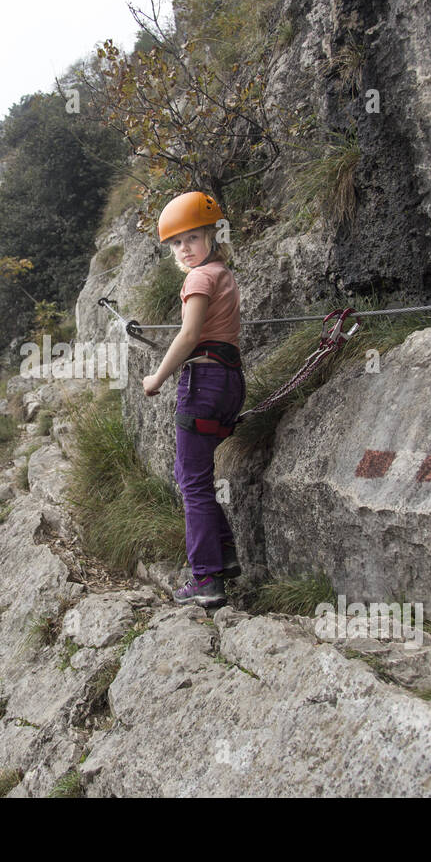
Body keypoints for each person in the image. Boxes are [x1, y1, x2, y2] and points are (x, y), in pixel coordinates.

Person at [142, 191, 245, 609]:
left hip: (202, 382)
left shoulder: (198, 279)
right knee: (195, 476)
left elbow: (188, 336)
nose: (185, 249)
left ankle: (206, 579)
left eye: (193, 239)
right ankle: (224, 555)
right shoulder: (223, 273)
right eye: (177, 243)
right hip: (229, 382)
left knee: (193, 482)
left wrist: (156, 379)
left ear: (212, 236)